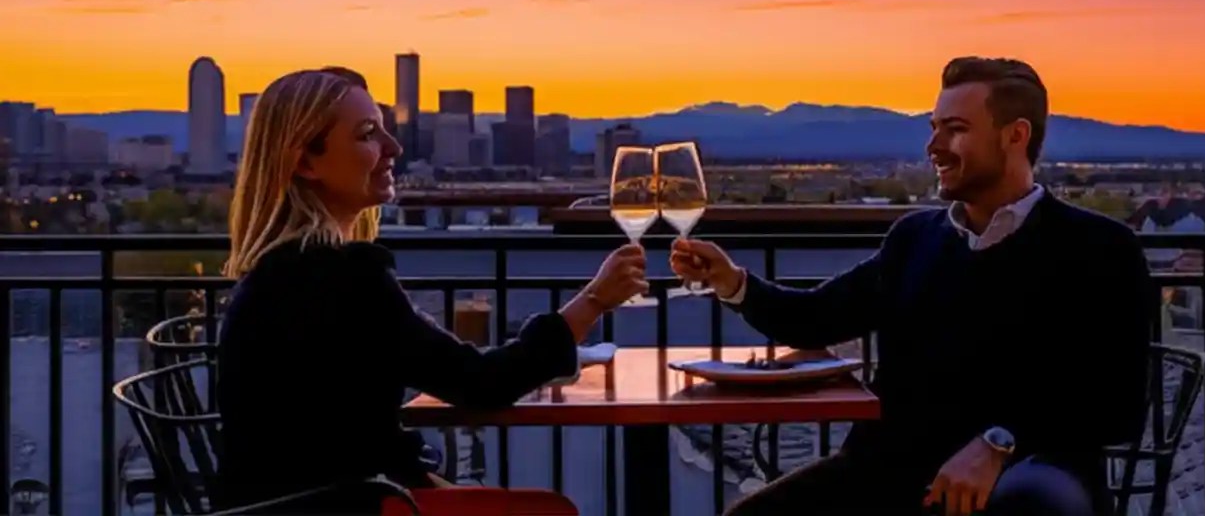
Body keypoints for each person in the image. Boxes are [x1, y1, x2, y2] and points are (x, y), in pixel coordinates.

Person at [671, 57, 1151, 516]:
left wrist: (999, 443)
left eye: (956, 129)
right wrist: (732, 282)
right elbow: (815, 317)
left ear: (1015, 136)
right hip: (893, 476)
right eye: (934, 128)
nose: (934, 146)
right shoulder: (915, 239)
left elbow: (1118, 405)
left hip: (1031, 476)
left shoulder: (1100, 248)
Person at [215, 67, 648, 513]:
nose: (393, 148)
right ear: (306, 162)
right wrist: (593, 301)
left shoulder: (281, 273)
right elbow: (482, 384)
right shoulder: (340, 277)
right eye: (367, 134)